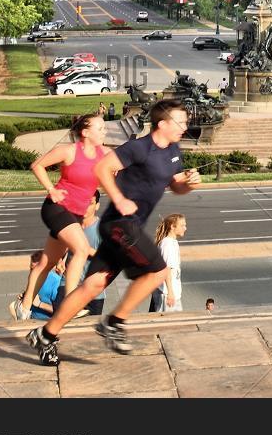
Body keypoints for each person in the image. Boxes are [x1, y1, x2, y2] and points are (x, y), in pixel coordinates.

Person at [26, 99, 201, 366]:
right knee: (158, 271)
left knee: (93, 284)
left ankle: (46, 334)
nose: (185, 126)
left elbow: (175, 185)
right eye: (180, 122)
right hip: (120, 223)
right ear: (162, 124)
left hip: (127, 227)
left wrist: (189, 184)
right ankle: (114, 322)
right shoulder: (139, 147)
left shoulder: (173, 152)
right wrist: (118, 199)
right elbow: (102, 168)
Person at [11, 112, 111, 321]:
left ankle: (24, 305)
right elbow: (37, 165)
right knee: (82, 249)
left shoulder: (105, 154)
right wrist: (51, 189)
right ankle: (71, 302)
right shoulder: (69, 151)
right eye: (100, 128)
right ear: (85, 132)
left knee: (47, 262)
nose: (105, 131)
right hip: (56, 209)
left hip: (74, 214)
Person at [148, 214, 187, 312]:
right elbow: (166, 269)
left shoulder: (172, 242)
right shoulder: (167, 244)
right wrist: (170, 292)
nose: (185, 228)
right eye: (182, 225)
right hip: (166, 293)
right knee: (167, 324)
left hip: (171, 292)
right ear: (172, 226)